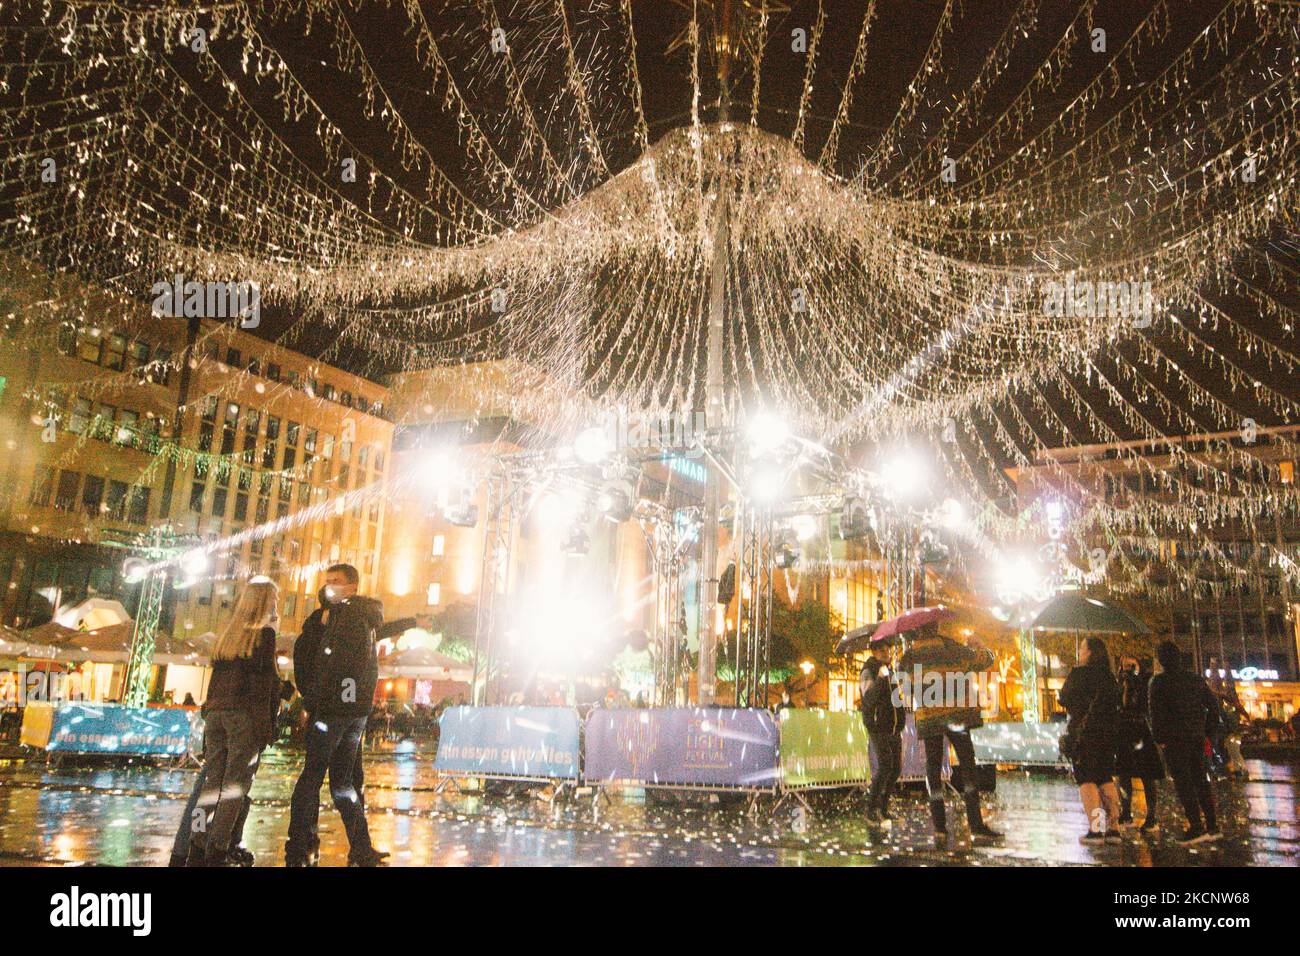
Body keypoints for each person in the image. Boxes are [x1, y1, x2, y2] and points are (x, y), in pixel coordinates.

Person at [285, 564, 426, 866]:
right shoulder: (357, 615)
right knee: (343, 783)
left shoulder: (342, 617)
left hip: (335, 710)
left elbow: (328, 663)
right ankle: (358, 847)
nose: (329, 587)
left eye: (336, 582)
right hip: (352, 710)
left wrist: (315, 699)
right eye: (327, 582)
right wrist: (412, 621)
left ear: (352, 587)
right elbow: (374, 635)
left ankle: (300, 844)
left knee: (314, 779)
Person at [185, 579, 283, 866]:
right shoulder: (264, 637)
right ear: (266, 603)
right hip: (244, 718)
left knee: (212, 785)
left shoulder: (227, 635)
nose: (277, 605)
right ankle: (218, 848)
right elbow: (264, 688)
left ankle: (197, 844)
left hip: (216, 714)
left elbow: (218, 681)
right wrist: (267, 728)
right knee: (234, 787)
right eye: (274, 600)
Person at [898, 624, 1002, 848]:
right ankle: (976, 824)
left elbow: (904, 692)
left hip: (931, 719)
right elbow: (985, 661)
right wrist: (983, 648)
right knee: (967, 767)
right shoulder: (954, 649)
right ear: (936, 629)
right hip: (958, 717)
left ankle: (939, 827)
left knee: (933, 772)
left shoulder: (908, 658)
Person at [1149, 640, 1221, 845]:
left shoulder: (1159, 682)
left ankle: (1196, 827)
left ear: (1162, 660)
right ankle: (1212, 825)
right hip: (1196, 738)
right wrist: (1207, 730)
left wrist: (1160, 738)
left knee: (1184, 784)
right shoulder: (1195, 680)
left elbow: (1155, 713)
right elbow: (1213, 705)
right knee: (1201, 781)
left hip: (1174, 741)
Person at [1059, 637, 1123, 845]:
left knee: (1087, 779)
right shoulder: (1108, 676)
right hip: (1107, 733)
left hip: (1084, 734)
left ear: (1089, 652)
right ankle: (1114, 829)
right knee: (1105, 777)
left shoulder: (1079, 674)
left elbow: (1064, 698)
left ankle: (1095, 830)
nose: (1079, 651)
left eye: (1082, 648)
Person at [1115, 657, 1164, 833]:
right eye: (1125, 666)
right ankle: (1126, 812)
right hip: (1124, 730)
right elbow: (1119, 703)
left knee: (1147, 775)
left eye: (1131, 666)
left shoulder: (1144, 682)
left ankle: (1151, 816)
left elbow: (1143, 704)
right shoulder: (1119, 683)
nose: (1128, 669)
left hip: (1139, 730)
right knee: (1123, 773)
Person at [858, 644, 904, 827]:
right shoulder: (869, 671)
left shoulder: (889, 671)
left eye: (888, 650)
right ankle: (871, 810)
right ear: (875, 652)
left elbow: (895, 699)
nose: (887, 654)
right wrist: (879, 679)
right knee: (885, 767)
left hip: (893, 727)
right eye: (883, 651)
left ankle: (883, 809)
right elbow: (868, 698)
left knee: (896, 769)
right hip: (878, 727)